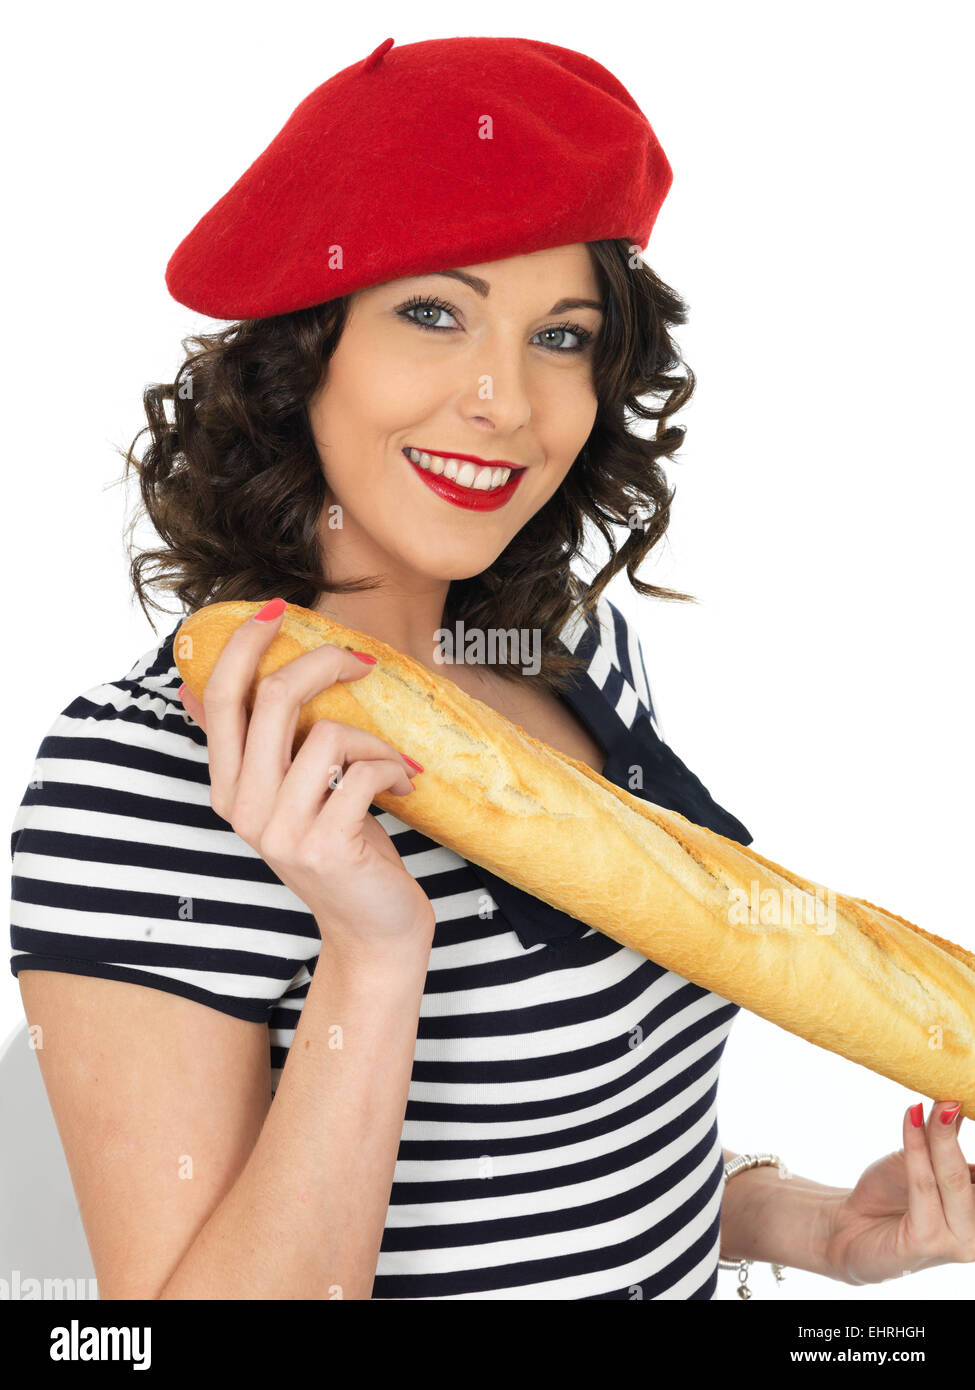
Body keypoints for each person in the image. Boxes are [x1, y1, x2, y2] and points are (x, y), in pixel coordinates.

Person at [9, 36, 972, 1301]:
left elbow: (553, 1146)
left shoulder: (577, 657)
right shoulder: (142, 778)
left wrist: (800, 1220)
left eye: (561, 337)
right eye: (432, 313)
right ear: (306, 352)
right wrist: (372, 951)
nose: (505, 400)